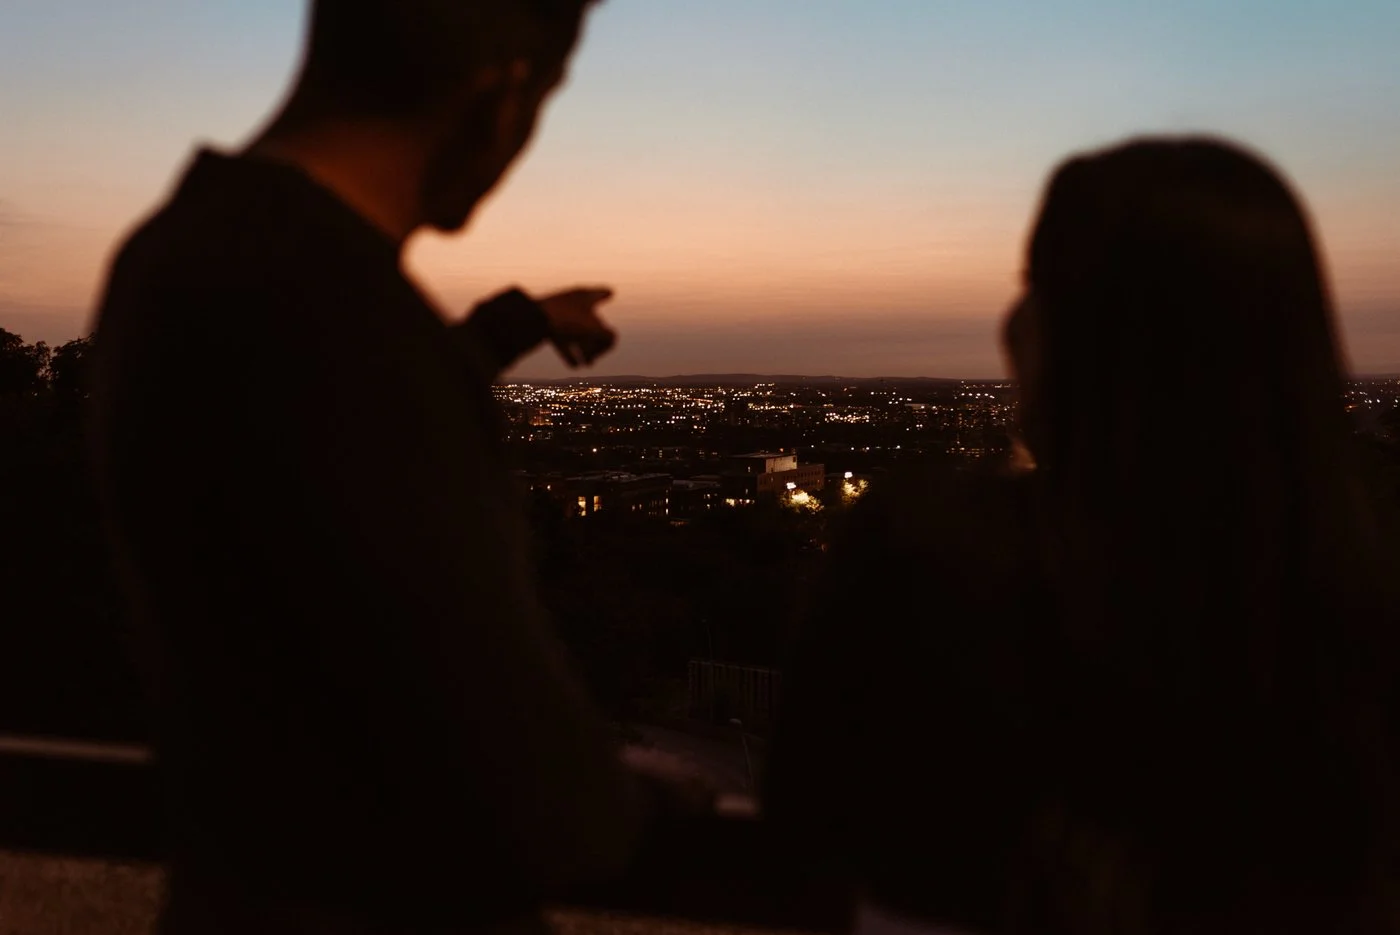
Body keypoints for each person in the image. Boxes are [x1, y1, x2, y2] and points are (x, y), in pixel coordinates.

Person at [90, 2, 683, 932]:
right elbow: (527, 786)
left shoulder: (174, 253)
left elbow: (321, 443)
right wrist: (628, 795)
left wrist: (512, 324)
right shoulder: (346, 320)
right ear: (502, 95)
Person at [764, 138, 1400, 935]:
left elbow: (799, 835)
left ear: (1075, 331)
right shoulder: (1353, 609)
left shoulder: (926, 556)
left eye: (1035, 283)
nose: (1013, 319)